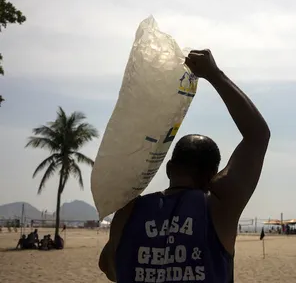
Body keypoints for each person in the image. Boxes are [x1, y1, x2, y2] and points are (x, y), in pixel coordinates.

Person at [99, 49, 270, 283]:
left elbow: (108, 266)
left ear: (169, 168)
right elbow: (258, 135)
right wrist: (214, 74)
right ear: (212, 176)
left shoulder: (128, 212)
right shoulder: (219, 208)